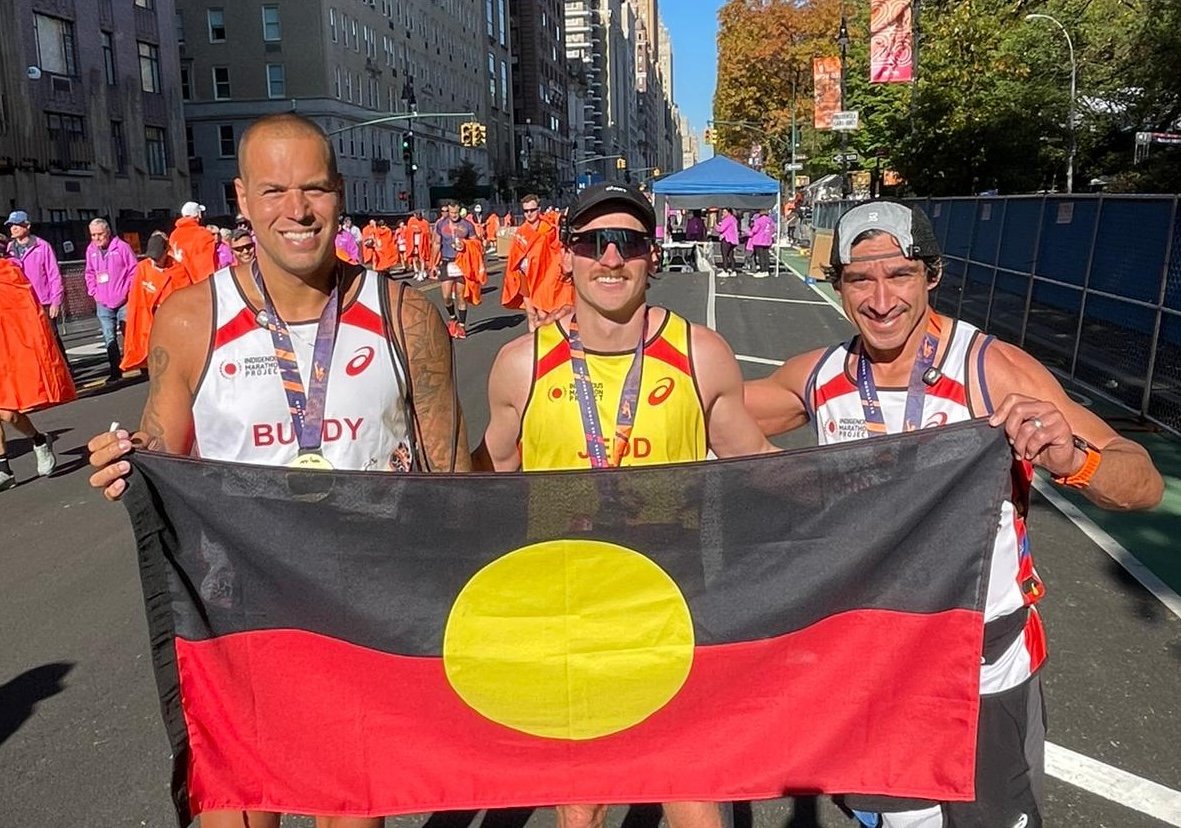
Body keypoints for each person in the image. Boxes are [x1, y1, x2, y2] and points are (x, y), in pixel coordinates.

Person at [87, 112, 468, 828]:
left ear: (340, 193)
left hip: (362, 619)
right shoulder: (192, 316)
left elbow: (447, 481)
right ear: (241, 198)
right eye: (273, 191)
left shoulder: (403, 315)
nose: (296, 211)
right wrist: (123, 459)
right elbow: (159, 449)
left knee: (350, 817)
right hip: (238, 619)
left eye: (314, 189)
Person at [742, 200, 1164, 828]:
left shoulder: (991, 370)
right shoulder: (820, 376)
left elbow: (1144, 483)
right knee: (896, 820)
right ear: (837, 285)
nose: (881, 299)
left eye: (900, 274)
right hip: (873, 655)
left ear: (932, 275)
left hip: (980, 658)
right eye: (860, 278)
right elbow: (707, 416)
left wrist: (1074, 458)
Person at [474, 183, 776, 828]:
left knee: (688, 787)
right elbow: (483, 482)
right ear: (567, 258)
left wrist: (892, 471)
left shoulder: (700, 354)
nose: (611, 258)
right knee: (581, 799)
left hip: (671, 605)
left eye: (631, 243)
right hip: (566, 606)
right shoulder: (521, 363)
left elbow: (761, 464)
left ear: (652, 257)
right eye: (592, 242)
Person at [0, 248, 72, 490]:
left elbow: (29, 316)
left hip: (9, 351)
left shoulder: (10, 274)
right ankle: (4, 469)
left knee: (8, 414)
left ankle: (39, 440)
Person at [121, 233, 191, 374]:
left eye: (157, 257)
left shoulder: (178, 270)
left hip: (170, 321)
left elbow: (184, 297)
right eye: (152, 257)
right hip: (149, 320)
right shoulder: (143, 268)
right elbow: (137, 296)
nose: (154, 261)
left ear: (166, 251)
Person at [503, 194, 571, 331]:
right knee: (531, 314)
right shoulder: (521, 232)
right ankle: (533, 343)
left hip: (543, 277)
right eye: (526, 211)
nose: (529, 214)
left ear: (538, 209)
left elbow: (556, 249)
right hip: (525, 278)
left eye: (532, 210)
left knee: (544, 313)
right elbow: (515, 256)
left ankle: (548, 342)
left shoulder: (549, 228)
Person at [84, 218, 137, 381]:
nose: (96, 238)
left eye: (100, 234)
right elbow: (89, 272)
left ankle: (136, 365)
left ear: (108, 232)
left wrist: (127, 290)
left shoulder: (122, 247)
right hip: (103, 302)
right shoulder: (91, 250)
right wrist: (94, 292)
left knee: (129, 333)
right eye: (93, 235)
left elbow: (134, 270)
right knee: (109, 336)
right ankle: (115, 370)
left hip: (124, 300)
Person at [5, 210, 64, 327]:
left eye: (17, 224)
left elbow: (54, 275)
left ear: (27, 226)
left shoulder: (42, 246)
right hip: (20, 303)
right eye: (11, 225)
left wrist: (56, 302)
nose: (13, 228)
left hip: (42, 302)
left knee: (51, 339)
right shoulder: (9, 249)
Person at [431, 200, 479, 339]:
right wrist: (433, 264)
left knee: (460, 295)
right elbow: (436, 243)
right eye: (451, 212)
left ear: (460, 211)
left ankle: (462, 326)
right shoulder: (441, 224)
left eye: (456, 212)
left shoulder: (467, 225)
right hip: (446, 261)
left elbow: (476, 244)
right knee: (446, 296)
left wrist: (464, 244)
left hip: (462, 263)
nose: (454, 215)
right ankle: (453, 317)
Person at [169, 201, 218, 285]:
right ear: (198, 215)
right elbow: (207, 264)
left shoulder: (173, 235)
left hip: (180, 283)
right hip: (200, 284)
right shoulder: (203, 234)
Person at [747, 209, 774, 277]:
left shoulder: (758, 220)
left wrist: (749, 232)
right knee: (766, 256)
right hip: (767, 240)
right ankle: (766, 270)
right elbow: (773, 229)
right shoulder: (770, 220)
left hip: (759, 240)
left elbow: (755, 230)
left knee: (761, 256)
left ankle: (762, 270)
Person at [715, 207, 739, 277]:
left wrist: (715, 226)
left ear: (729, 212)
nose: (723, 213)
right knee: (731, 255)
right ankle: (733, 270)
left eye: (725, 212)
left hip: (726, 239)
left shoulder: (727, 219)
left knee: (724, 255)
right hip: (733, 240)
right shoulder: (734, 219)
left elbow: (721, 229)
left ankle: (725, 270)